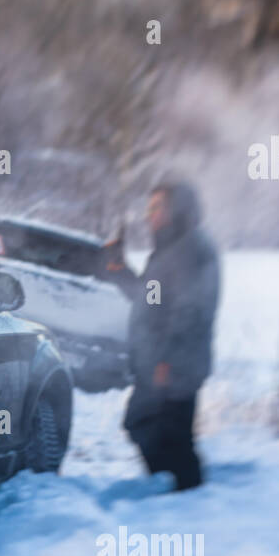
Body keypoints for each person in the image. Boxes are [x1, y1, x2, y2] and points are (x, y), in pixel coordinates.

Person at [100, 176, 220, 490]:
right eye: (149, 206)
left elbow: (192, 311)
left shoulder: (191, 250)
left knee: (163, 433)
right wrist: (119, 270)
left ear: (177, 209)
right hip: (159, 363)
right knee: (150, 427)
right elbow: (149, 297)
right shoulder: (170, 248)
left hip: (175, 365)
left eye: (156, 207)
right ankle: (175, 489)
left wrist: (168, 362)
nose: (148, 214)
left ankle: (187, 495)